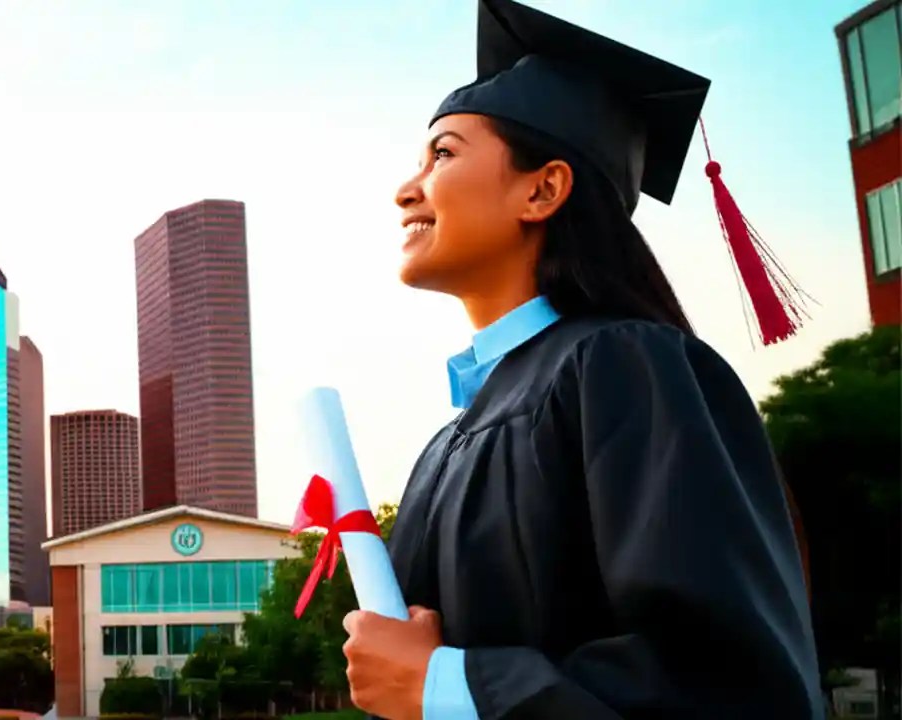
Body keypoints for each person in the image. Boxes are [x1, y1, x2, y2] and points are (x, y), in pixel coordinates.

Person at [338, 0, 823, 718]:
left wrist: (445, 685)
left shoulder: (625, 368)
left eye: (442, 154)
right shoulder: (448, 441)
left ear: (543, 189)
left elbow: (728, 684)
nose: (406, 189)